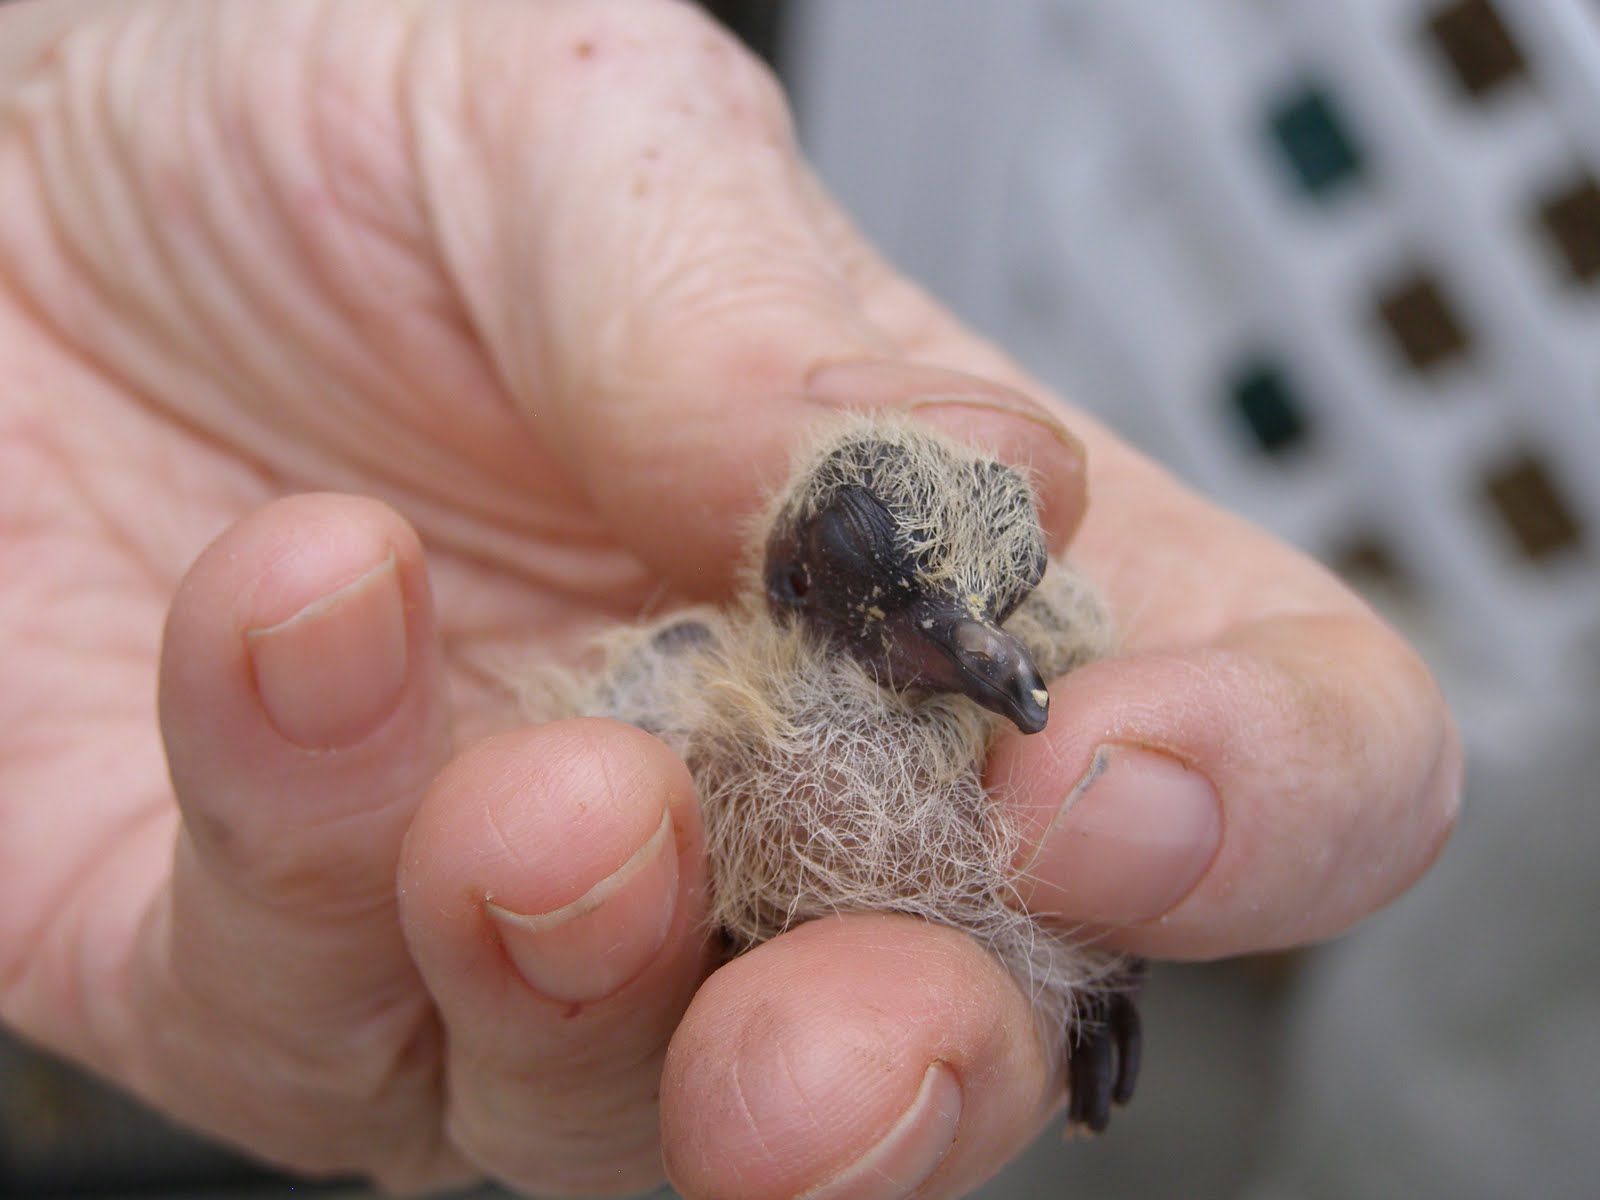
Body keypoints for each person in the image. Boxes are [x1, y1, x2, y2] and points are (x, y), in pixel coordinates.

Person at [0, 0, 1461, 1196]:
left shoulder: (1035, 671)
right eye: (906, 614)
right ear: (807, 582)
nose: (969, 653)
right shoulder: (706, 691)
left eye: (970, 616)